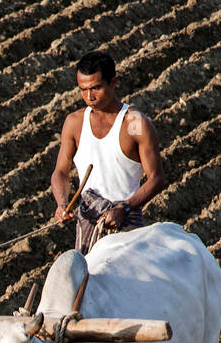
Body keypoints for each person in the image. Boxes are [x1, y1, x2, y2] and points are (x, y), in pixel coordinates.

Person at [51, 50, 167, 254]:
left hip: (125, 224)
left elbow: (156, 178)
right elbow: (61, 171)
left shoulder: (134, 124)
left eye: (96, 88)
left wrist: (125, 208)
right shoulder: (74, 123)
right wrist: (62, 204)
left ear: (113, 82)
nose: (89, 96)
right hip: (88, 221)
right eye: (83, 89)